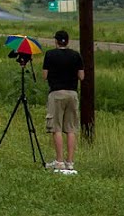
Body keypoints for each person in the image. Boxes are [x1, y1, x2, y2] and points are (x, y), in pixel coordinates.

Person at [41, 29, 84, 171]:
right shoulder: (76, 55)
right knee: (71, 129)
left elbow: (44, 75)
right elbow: (81, 76)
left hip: (56, 93)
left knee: (56, 127)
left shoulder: (50, 54)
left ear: (56, 41)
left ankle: (59, 161)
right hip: (72, 93)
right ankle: (70, 162)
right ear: (68, 41)